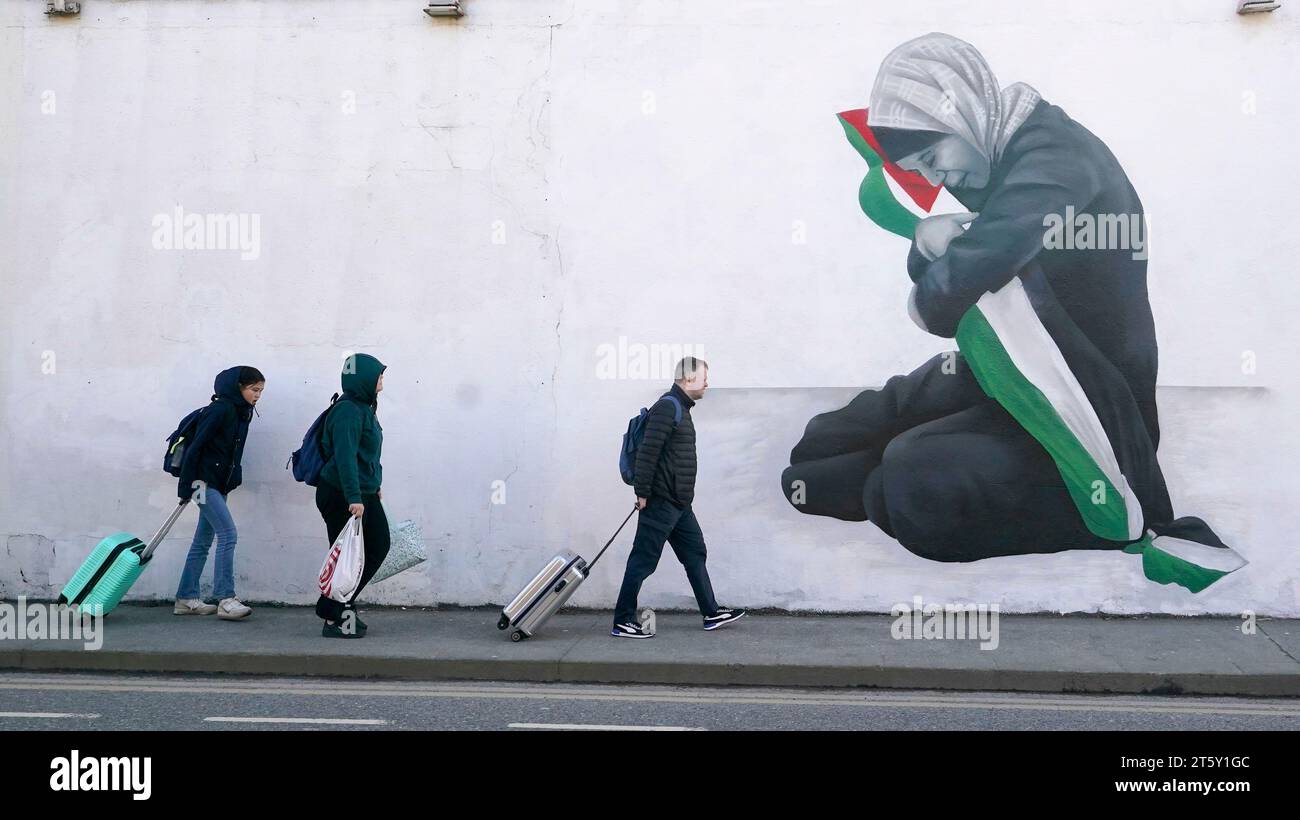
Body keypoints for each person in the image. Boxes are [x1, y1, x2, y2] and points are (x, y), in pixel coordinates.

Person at [782, 33, 1244, 592]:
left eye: (932, 158)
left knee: (910, 476)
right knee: (829, 440)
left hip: (1087, 410)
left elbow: (964, 279)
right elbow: (964, 259)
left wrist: (930, 268)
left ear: (966, 110)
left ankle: (900, 487)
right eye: (917, 169)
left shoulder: (1057, 160)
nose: (934, 181)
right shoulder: (1006, 154)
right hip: (1007, 370)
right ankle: (869, 475)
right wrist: (928, 242)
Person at [612, 357, 746, 638]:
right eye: (703, 378)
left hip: (680, 504)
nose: (707, 383)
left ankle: (711, 612)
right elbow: (648, 453)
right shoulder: (667, 407)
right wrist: (642, 493)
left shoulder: (680, 408)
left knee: (695, 553)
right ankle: (623, 620)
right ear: (687, 379)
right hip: (661, 501)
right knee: (643, 560)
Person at [174, 366, 264, 620]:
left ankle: (186, 598)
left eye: (260, 391)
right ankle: (226, 599)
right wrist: (186, 487)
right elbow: (195, 449)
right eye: (253, 389)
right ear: (238, 388)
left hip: (215, 484)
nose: (258, 395)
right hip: (201, 485)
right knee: (228, 534)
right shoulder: (221, 410)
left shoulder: (240, 412)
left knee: (203, 540)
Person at [316, 353, 391, 638]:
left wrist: (375, 482)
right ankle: (334, 613)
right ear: (364, 379)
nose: (382, 381)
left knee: (374, 548)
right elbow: (345, 458)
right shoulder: (348, 410)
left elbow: (367, 454)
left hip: (363, 490)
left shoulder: (364, 407)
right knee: (352, 557)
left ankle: (338, 610)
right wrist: (354, 497)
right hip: (342, 494)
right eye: (379, 376)